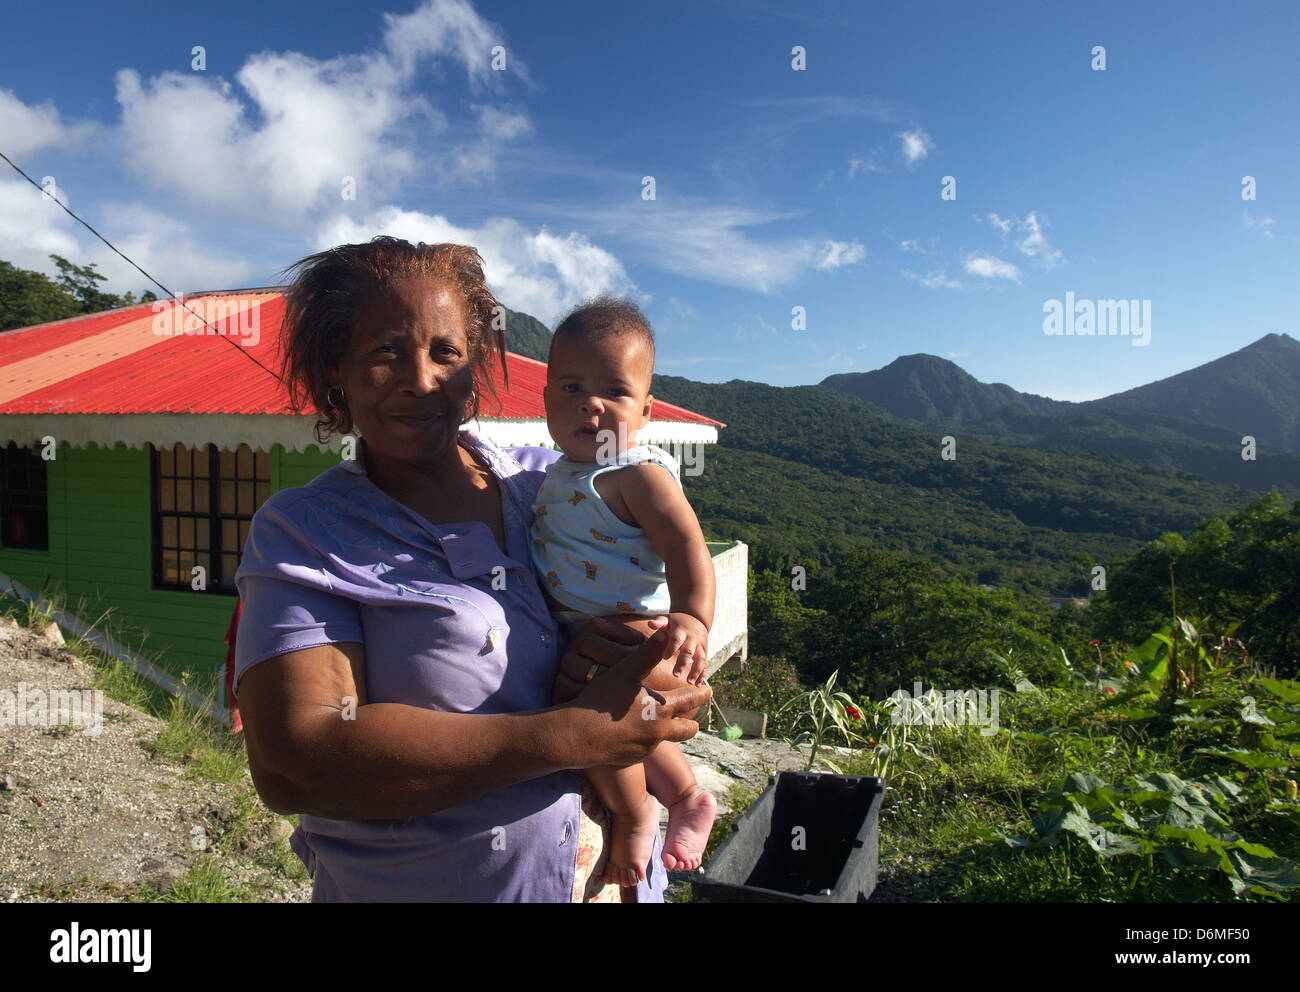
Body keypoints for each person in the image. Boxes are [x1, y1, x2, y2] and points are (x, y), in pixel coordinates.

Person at [231, 237, 711, 902]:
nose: (420, 378)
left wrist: (642, 654)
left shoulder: (553, 487)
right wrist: (569, 734)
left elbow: (670, 633)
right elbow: (298, 761)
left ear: (474, 365)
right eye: (386, 351)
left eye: (445, 352)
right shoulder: (304, 533)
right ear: (335, 368)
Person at [533, 298, 717, 886]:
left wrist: (692, 617)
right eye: (570, 387)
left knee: (594, 715)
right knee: (631, 718)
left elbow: (689, 547)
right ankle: (687, 793)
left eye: (614, 391)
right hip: (585, 629)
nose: (590, 403)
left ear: (644, 410)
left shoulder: (637, 473)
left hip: (634, 626)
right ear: (543, 401)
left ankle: (635, 811)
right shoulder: (557, 471)